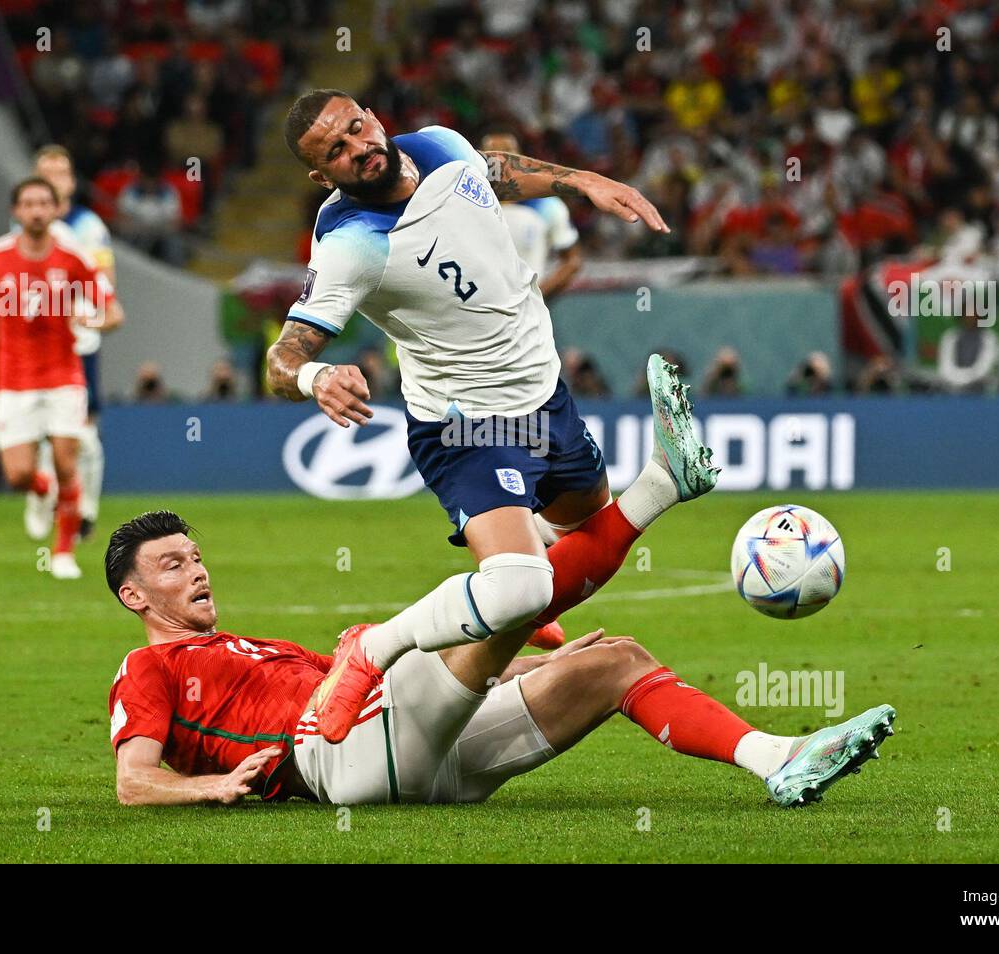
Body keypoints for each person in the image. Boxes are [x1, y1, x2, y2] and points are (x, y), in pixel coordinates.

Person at [267, 90, 720, 741]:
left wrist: (581, 182)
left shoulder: (440, 145)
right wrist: (314, 376)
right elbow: (283, 356)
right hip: (466, 422)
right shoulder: (350, 244)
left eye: (357, 128)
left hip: (543, 391)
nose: (357, 148)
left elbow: (496, 169)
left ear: (373, 116)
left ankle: (535, 586)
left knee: (592, 539)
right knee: (521, 586)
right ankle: (372, 648)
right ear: (321, 176)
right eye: (334, 151)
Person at [106, 511, 896, 807]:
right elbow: (132, 779)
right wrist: (210, 788)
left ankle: (778, 760)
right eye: (172, 565)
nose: (198, 570)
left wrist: (538, 673)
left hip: (415, 754)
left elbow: (428, 692)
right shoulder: (149, 670)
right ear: (135, 598)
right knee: (495, 601)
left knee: (613, 661)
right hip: (334, 755)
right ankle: (652, 493)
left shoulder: (258, 647)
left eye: (197, 555)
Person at [0, 177, 122, 580]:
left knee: (68, 462)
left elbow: (114, 312)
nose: (36, 210)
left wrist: (94, 320)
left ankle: (63, 551)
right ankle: (40, 491)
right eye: (28, 203)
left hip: (64, 377)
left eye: (43, 203)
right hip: (13, 380)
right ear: (16, 211)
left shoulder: (73, 257)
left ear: (56, 209)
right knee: (17, 475)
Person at [28, 145, 118, 543]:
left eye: (60, 172)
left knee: (83, 433)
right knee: (46, 431)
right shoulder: (24, 231)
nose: (52, 179)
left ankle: (84, 513)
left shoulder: (88, 227)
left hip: (79, 345)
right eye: (44, 172)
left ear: (70, 180)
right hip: (37, 346)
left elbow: (106, 286)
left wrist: (91, 315)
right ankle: (52, 507)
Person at [480, 130, 584, 300]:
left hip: (530, 315)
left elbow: (572, 261)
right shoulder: (470, 202)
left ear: (518, 158)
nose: (497, 162)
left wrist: (538, 296)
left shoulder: (546, 205)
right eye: (490, 155)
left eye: (505, 153)